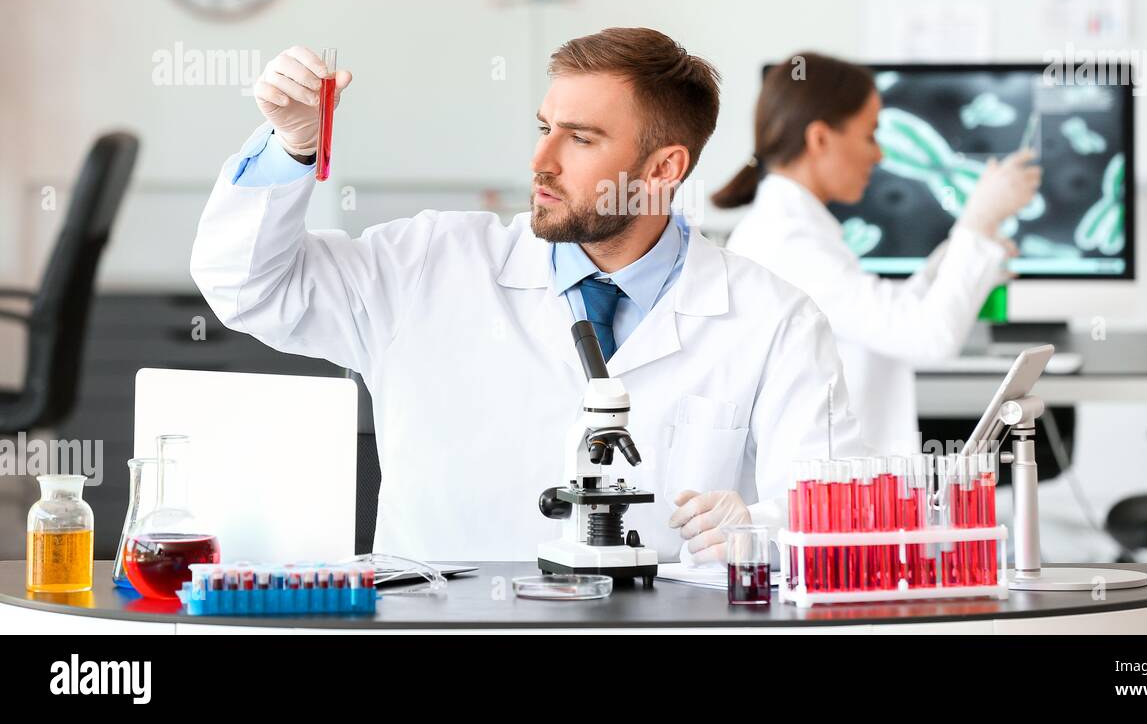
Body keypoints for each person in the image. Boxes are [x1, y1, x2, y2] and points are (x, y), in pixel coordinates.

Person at [190, 31, 862, 563]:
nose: (543, 159)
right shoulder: (427, 265)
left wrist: (760, 529)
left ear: (664, 169)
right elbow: (247, 287)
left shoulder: (773, 321)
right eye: (545, 127)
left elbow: (829, 510)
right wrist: (292, 146)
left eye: (582, 138)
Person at [716, 53, 1040, 455]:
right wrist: (977, 222)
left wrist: (971, 241)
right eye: (870, 135)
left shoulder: (794, 228)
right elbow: (927, 336)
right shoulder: (786, 241)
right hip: (821, 489)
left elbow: (892, 310)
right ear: (820, 139)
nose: (880, 155)